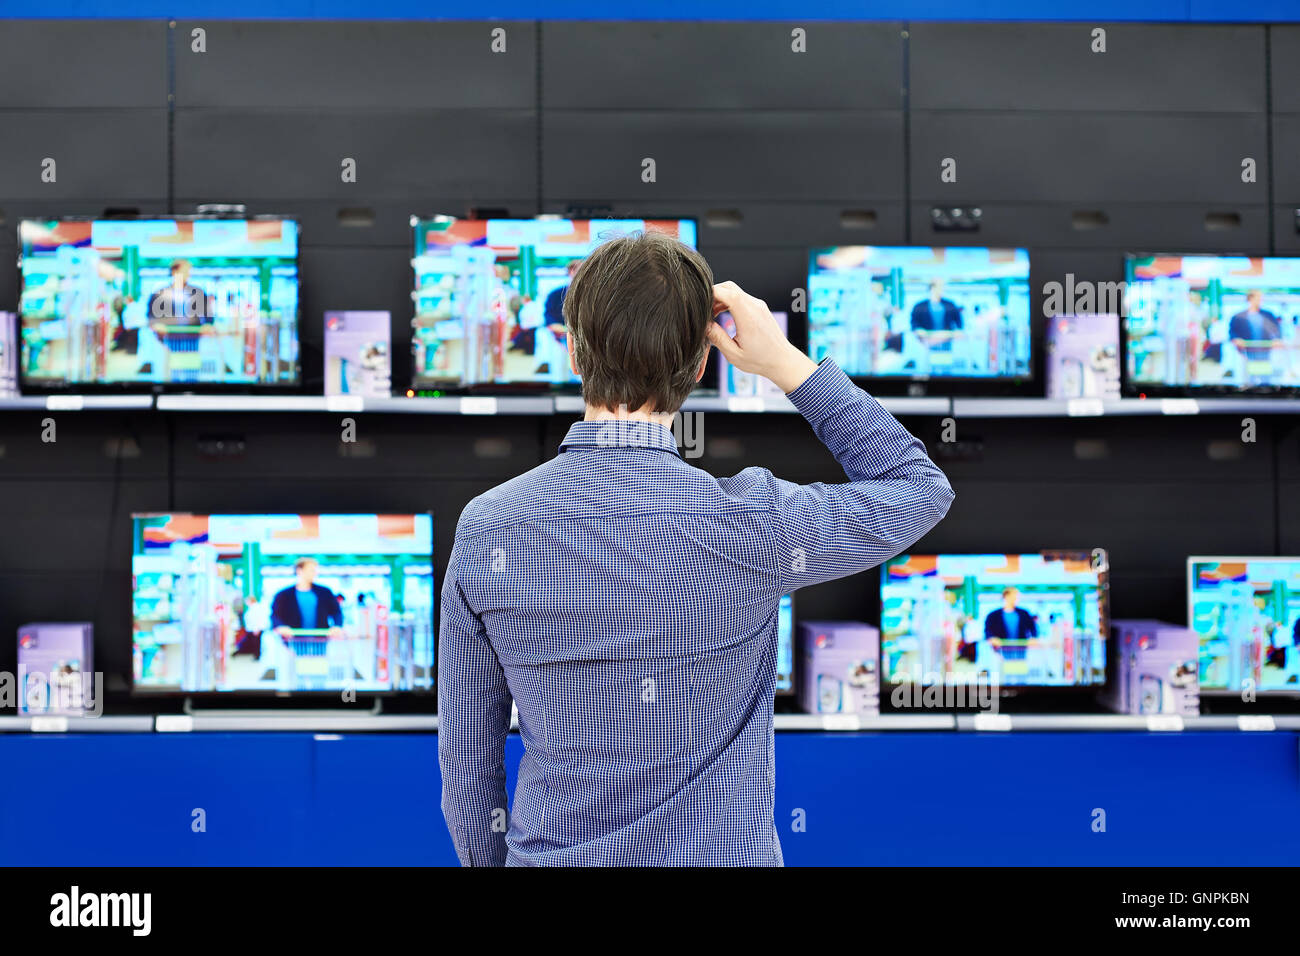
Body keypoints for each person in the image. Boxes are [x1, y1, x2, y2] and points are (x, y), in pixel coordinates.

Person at [438, 231, 955, 867]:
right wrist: (787, 365)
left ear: (573, 351)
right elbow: (919, 488)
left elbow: (469, 773)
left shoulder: (489, 524)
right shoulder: (752, 521)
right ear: (703, 363)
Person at [270, 558, 344, 639]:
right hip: (293, 641)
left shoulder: (325, 592)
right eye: (311, 570)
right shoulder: (284, 594)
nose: (315, 573)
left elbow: (336, 612)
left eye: (315, 570)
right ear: (299, 571)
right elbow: (275, 615)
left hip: (319, 641)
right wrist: (280, 627)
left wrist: (337, 626)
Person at [1228, 290, 1282, 365]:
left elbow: (1276, 329)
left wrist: (1277, 339)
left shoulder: (1268, 315)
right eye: (1258, 298)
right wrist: (1236, 340)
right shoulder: (1238, 317)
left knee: (1264, 372)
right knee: (1247, 373)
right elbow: (1232, 332)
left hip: (1264, 351)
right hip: (1246, 352)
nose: (1260, 300)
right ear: (1250, 299)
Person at [984, 587, 1037, 662]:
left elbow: (1032, 628)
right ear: (1006, 596)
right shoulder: (993, 615)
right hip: (1001, 650)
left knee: (1019, 669)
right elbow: (988, 631)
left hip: (1020, 649)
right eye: (1014, 596)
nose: (1016, 598)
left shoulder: (1024, 613)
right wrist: (992, 639)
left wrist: (1033, 638)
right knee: (1003, 669)